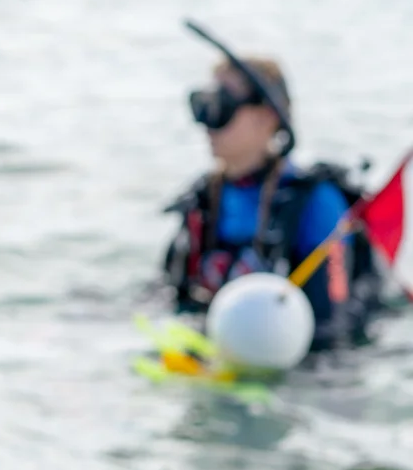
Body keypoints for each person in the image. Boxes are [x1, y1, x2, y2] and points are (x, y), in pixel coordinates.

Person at [161, 46, 379, 349]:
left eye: (222, 106)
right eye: (204, 105)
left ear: (266, 117)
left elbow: (333, 324)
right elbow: (170, 291)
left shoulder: (315, 202)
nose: (208, 122)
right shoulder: (203, 199)